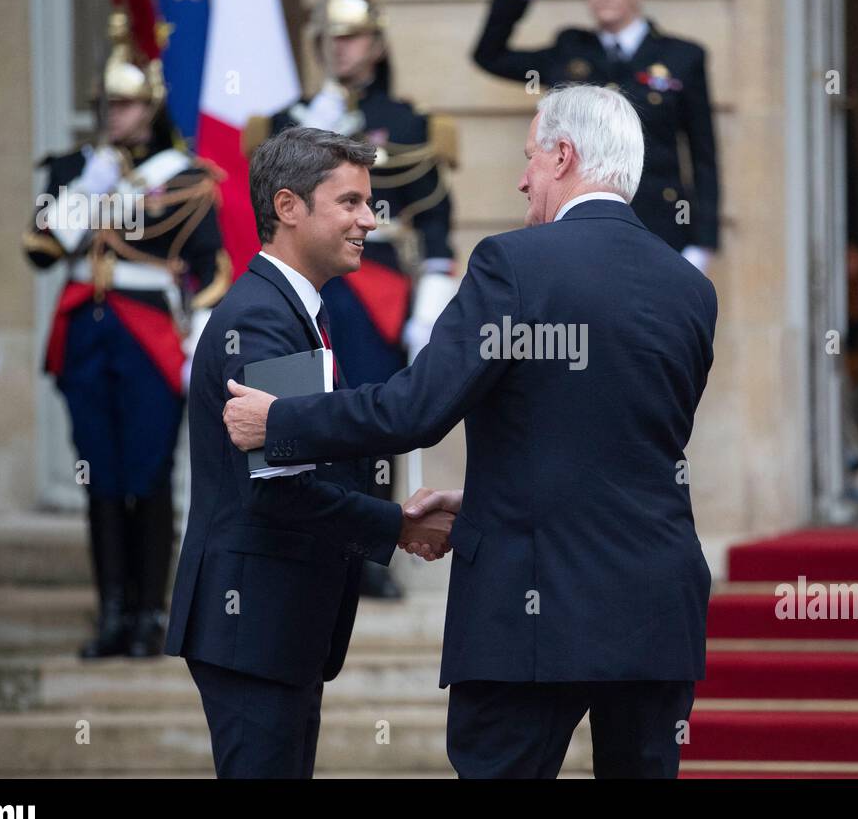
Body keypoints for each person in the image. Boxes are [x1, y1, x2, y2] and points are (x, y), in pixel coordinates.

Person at [224, 85, 717, 778]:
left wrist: (281, 418)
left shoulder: (514, 264)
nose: (521, 178)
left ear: (565, 157)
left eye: (530, 159)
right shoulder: (690, 288)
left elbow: (414, 411)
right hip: (657, 605)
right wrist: (489, 494)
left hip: (530, 605)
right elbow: (619, 441)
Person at [164, 127, 454, 778]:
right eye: (349, 202)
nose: (368, 220)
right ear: (289, 207)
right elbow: (282, 488)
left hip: (274, 623)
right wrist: (397, 526)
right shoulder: (264, 319)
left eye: (368, 203)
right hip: (254, 624)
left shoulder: (288, 310)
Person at [252, 0, 459, 599]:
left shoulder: (406, 122)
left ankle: (372, 549)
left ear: (376, 43)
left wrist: (431, 293)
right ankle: (308, 540)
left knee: (369, 418)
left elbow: (433, 214)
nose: (341, 49)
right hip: (305, 283)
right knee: (300, 408)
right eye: (331, 38)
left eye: (353, 37)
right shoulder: (290, 116)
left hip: (376, 285)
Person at [23, 0, 231, 660]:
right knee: (100, 473)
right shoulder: (72, 170)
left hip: (149, 334)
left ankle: (150, 612)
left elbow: (212, 267)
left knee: (147, 471)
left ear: (153, 106)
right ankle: (110, 609)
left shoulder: (189, 179)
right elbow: (42, 248)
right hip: (87, 329)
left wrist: (198, 335)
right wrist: (92, 183)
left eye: (132, 104)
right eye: (111, 105)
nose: (121, 115)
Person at [473, 0, 720, 271]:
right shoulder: (570, 48)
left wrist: (703, 241)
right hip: (579, 222)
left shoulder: (681, 56)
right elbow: (490, 56)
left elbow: (703, 153)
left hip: (660, 222)